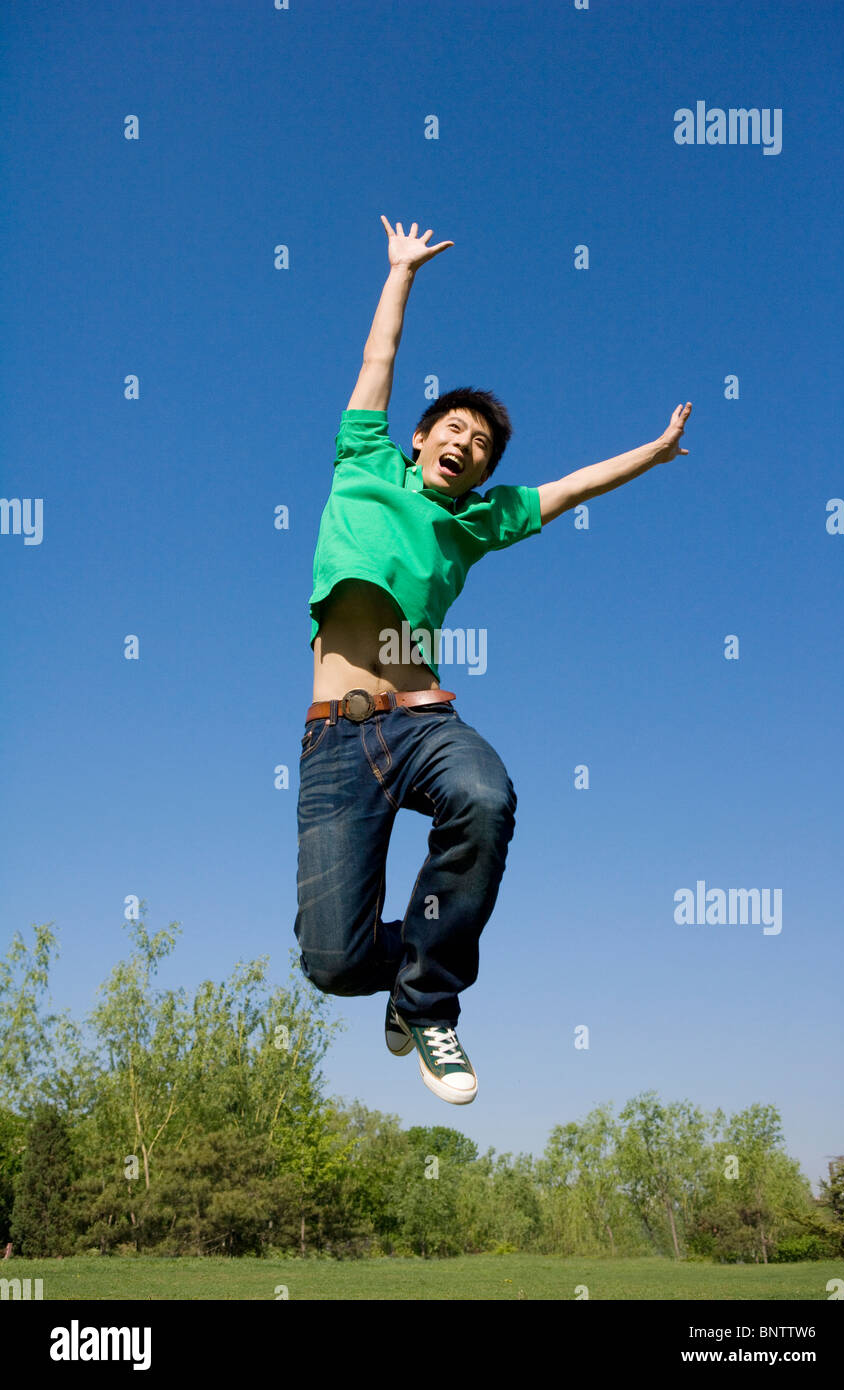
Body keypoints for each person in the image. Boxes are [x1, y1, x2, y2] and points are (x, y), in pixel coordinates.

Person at [294, 216, 692, 1105]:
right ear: (423, 434)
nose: (465, 443)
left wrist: (653, 454)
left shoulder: (475, 524)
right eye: (455, 428)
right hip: (333, 741)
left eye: (481, 445)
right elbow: (376, 367)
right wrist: (401, 273)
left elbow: (568, 487)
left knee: (485, 796)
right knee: (331, 961)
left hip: (424, 719)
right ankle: (409, 974)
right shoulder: (362, 461)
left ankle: (431, 1003)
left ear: (481, 477)